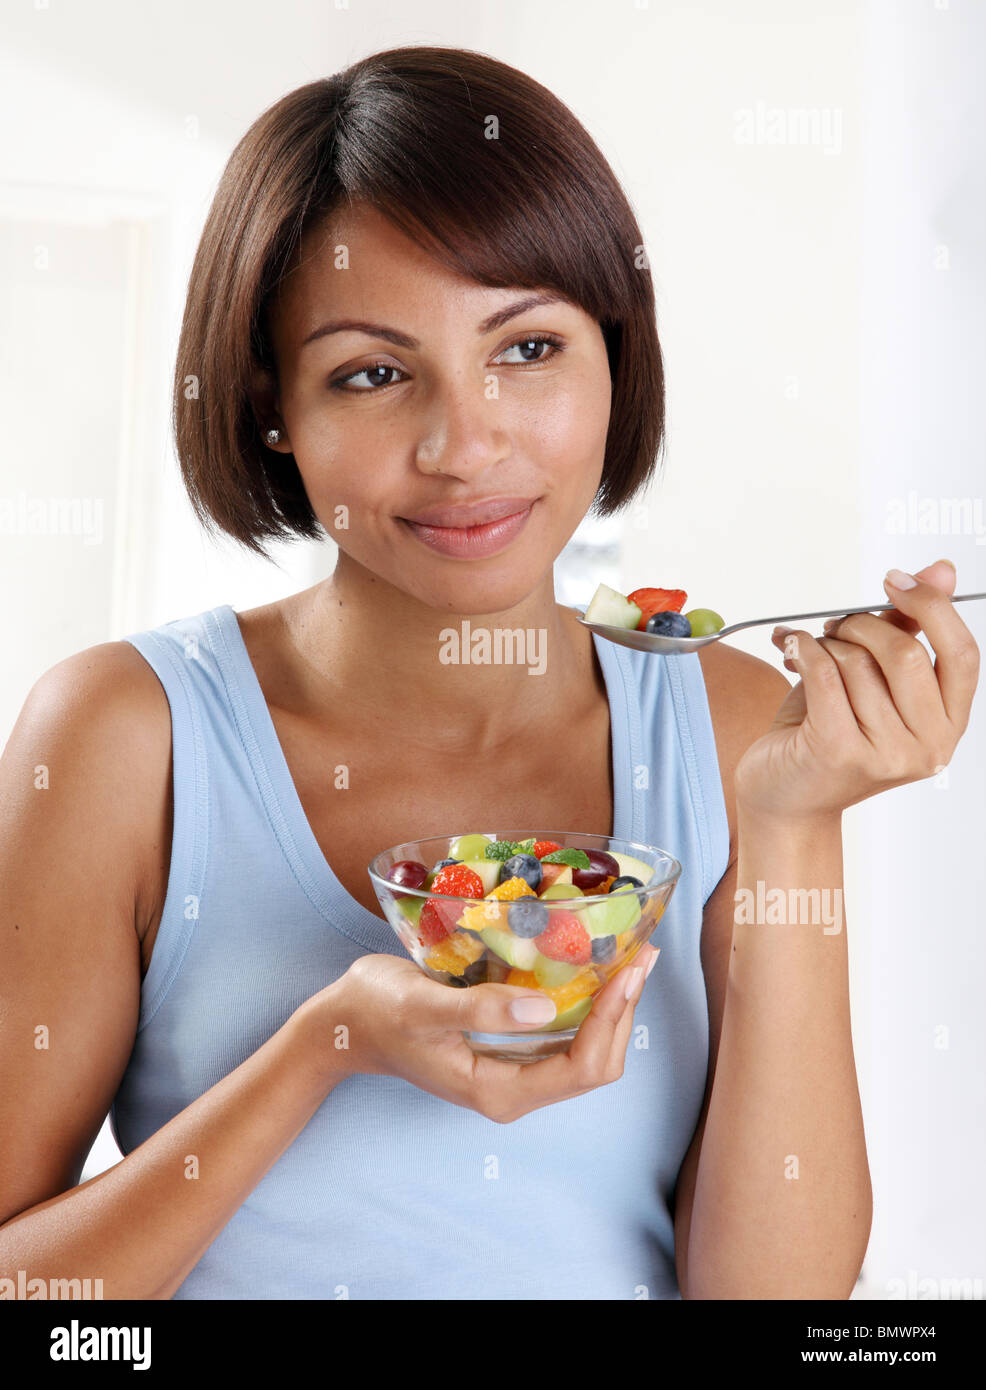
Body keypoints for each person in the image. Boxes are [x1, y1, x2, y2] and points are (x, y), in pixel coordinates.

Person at [0, 46, 978, 1302]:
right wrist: (322, 1046)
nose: (465, 446)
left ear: (614, 360)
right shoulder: (123, 737)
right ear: (270, 407)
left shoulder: (736, 727)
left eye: (525, 349)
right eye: (371, 372)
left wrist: (793, 823)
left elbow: (774, 1313)